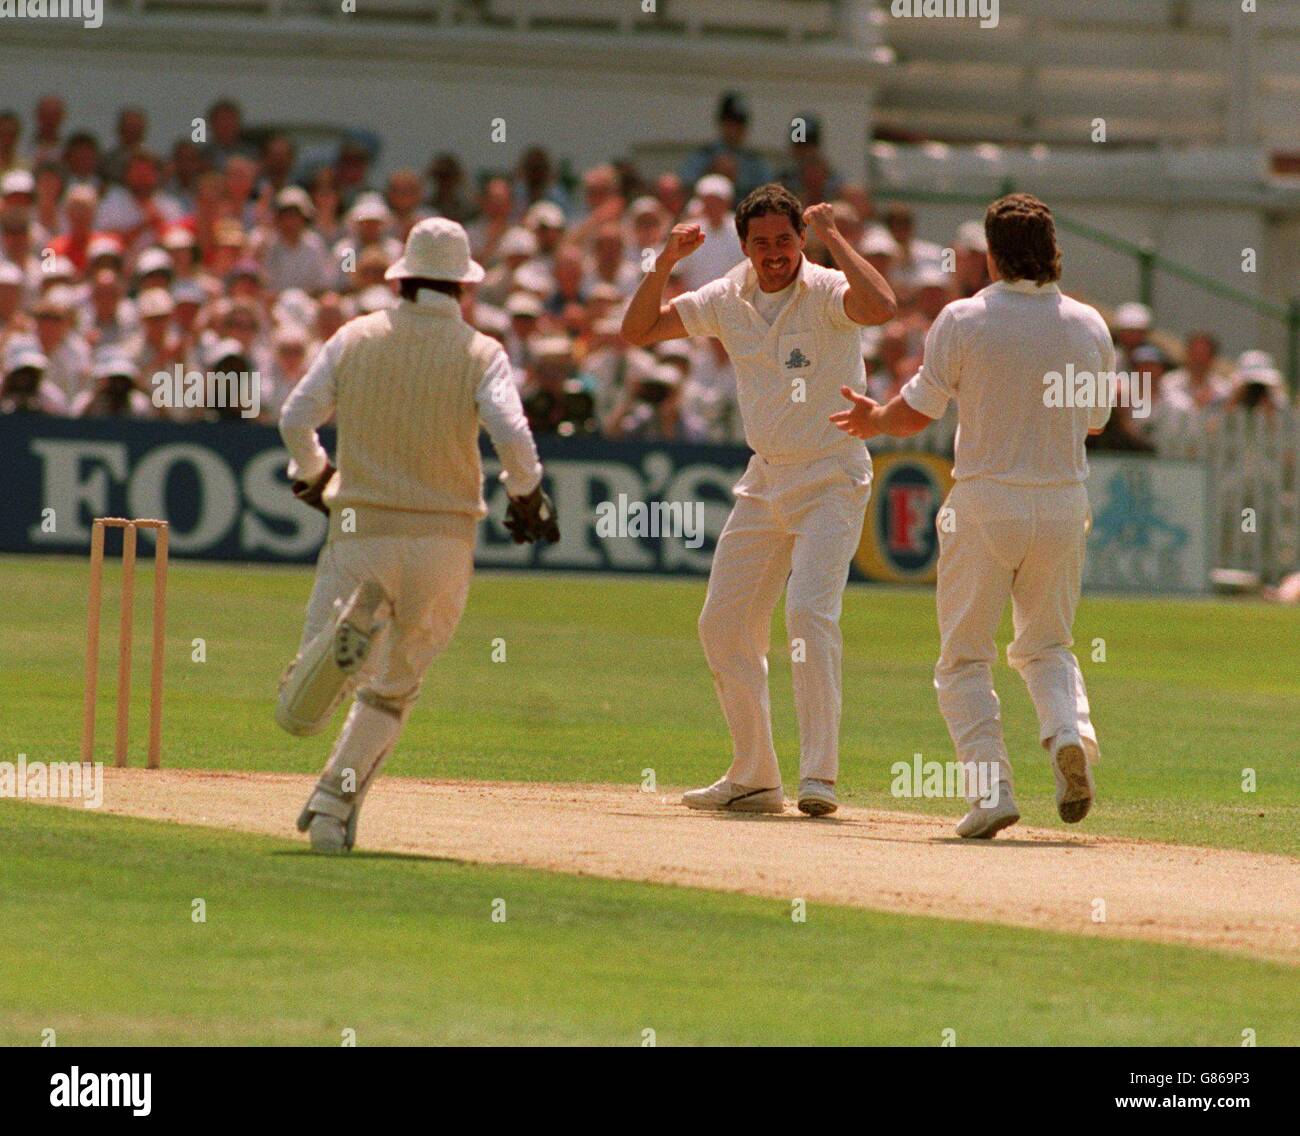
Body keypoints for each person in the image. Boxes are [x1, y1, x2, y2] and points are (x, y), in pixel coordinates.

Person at [831, 193, 1110, 838]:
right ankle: (1067, 733)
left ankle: (992, 794)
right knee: (1046, 645)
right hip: (1064, 502)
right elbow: (1096, 420)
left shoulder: (964, 317)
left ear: (991, 254)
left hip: (985, 500)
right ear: (1051, 249)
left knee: (963, 659)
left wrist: (873, 419)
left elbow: (918, 410)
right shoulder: (1089, 324)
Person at [277, 218, 559, 853]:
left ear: (401, 278)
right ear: (463, 287)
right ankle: (331, 804)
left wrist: (316, 473)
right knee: (396, 686)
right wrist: (526, 494)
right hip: (445, 539)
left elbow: (295, 417)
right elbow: (512, 436)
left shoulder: (356, 337)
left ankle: (327, 667)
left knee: (316, 685)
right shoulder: (480, 350)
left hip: (360, 528)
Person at [622, 182, 896, 817]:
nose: (774, 254)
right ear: (743, 245)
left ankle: (819, 777)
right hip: (765, 480)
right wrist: (663, 263)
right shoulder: (725, 296)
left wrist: (835, 237)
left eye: (785, 240)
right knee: (722, 624)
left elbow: (881, 306)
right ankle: (754, 774)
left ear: (801, 238)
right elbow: (638, 331)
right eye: (762, 243)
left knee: (807, 616)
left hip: (831, 476)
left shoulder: (826, 288)